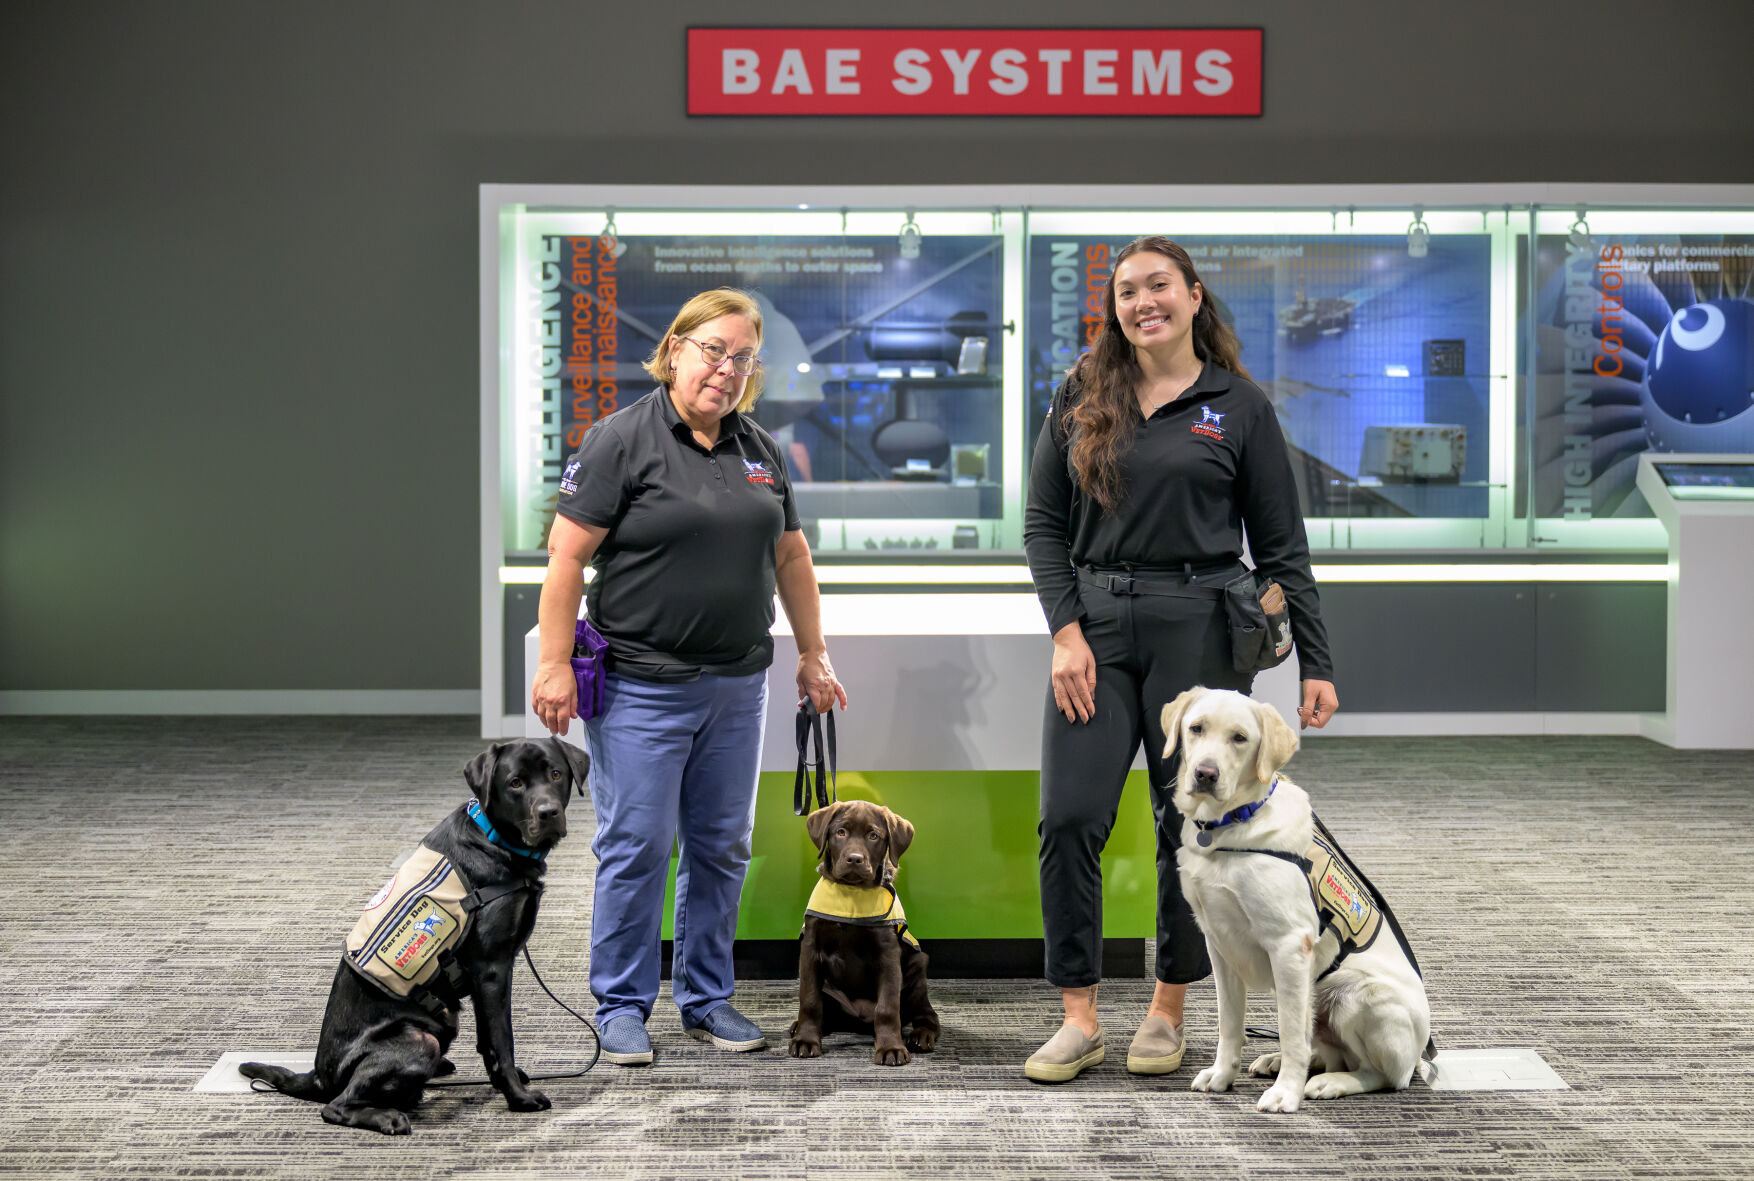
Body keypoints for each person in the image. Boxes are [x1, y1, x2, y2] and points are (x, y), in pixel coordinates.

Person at [1020, 236, 1338, 1083]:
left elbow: (1282, 547)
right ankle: (1078, 1014)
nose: (1141, 302)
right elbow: (1043, 527)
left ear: (1194, 296)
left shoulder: (1237, 405)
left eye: (1158, 285)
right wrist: (1064, 631)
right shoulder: (1082, 395)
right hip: (1095, 626)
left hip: (1199, 627)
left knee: (1187, 828)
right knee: (1071, 818)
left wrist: (1317, 661)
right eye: (1126, 291)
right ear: (1114, 308)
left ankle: (1169, 1007)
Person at [531, 288, 847, 1066]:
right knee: (638, 843)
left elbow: (792, 557)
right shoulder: (621, 440)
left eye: (742, 358)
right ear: (674, 350)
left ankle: (706, 996)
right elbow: (567, 557)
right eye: (713, 350)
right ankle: (622, 1005)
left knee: (721, 846)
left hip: (739, 686)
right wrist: (552, 662)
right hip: (642, 686)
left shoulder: (759, 450)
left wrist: (813, 651)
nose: (727, 369)